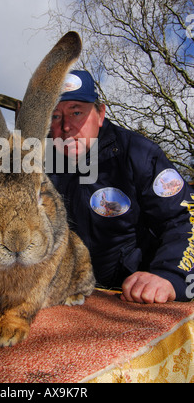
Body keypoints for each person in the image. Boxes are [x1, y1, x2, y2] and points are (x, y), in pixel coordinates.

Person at [48, 70, 194, 303]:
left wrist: (170, 275)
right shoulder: (35, 161)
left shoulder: (139, 154)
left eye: (76, 112)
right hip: (59, 295)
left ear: (100, 114)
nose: (66, 127)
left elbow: (184, 217)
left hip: (129, 296)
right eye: (55, 116)